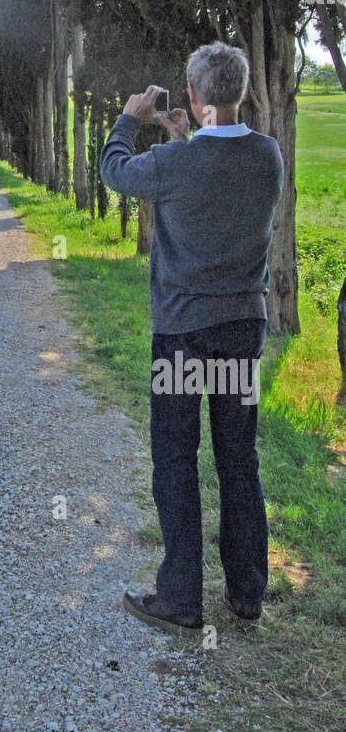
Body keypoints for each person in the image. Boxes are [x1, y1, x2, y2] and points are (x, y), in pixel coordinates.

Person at [99, 43, 284, 636]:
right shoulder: (269, 157)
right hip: (242, 329)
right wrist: (188, 137)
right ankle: (247, 592)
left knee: (177, 456)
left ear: (195, 96)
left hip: (182, 333)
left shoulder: (174, 166)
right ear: (243, 93)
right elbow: (217, 181)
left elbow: (115, 171)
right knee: (238, 456)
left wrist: (131, 118)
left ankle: (180, 597)